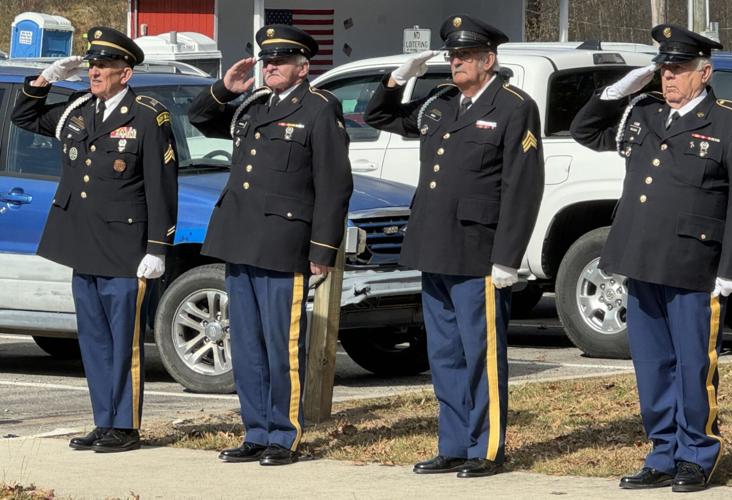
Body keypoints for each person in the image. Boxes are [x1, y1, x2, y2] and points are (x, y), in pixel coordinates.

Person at [570, 24, 732, 492]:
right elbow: (584, 130)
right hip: (640, 260)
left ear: (705, 72)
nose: (668, 77)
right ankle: (662, 452)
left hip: (694, 265)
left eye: (678, 69)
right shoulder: (645, 114)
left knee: (694, 363)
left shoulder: (730, 122)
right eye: (663, 69)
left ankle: (696, 454)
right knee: (652, 364)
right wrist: (619, 89)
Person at [364, 14, 544, 478]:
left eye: (464, 56)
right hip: (435, 245)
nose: (456, 62)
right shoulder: (442, 102)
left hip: (479, 249)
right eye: (453, 55)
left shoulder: (512, 106)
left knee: (480, 353)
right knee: (443, 353)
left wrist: (508, 256)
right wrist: (396, 80)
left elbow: (523, 186)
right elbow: (380, 116)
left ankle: (486, 448)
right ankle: (454, 443)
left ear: (489, 59)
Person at [188, 24, 353, 466]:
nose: (271, 67)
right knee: (246, 345)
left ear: (303, 67)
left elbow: (334, 184)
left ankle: (284, 434)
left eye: (280, 61)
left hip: (284, 242)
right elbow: (200, 118)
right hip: (241, 238)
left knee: (281, 345)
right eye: (267, 60)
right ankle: (255, 430)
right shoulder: (255, 105)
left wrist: (322, 249)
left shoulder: (319, 108)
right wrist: (225, 88)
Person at [11, 27, 178, 452]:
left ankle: (126, 427)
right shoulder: (80, 109)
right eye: (91, 65)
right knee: (94, 340)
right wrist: (45, 79)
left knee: (124, 342)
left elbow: (161, 186)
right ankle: (104, 420)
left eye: (103, 66)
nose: (94, 72)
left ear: (126, 73)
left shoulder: (147, 115)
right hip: (82, 243)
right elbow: (24, 118)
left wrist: (158, 247)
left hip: (125, 246)